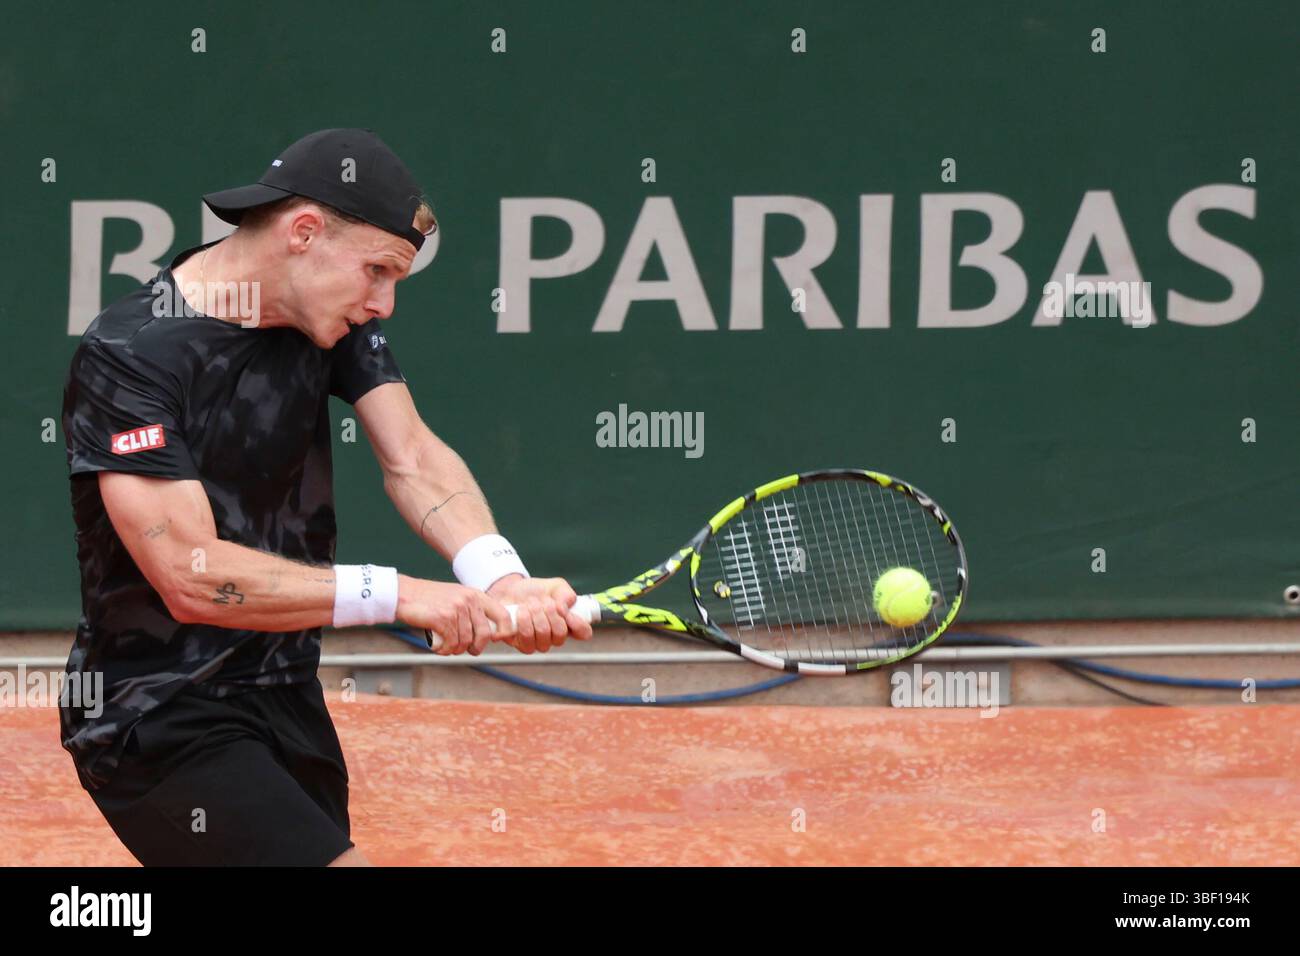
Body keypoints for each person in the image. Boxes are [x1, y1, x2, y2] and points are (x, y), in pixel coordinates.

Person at [59, 128, 592, 866]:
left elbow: (413, 458)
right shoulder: (131, 354)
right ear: (303, 232)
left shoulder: (326, 319)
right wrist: (401, 594)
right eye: (377, 271)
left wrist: (497, 574)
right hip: (154, 711)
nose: (385, 303)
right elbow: (191, 575)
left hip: (284, 695)